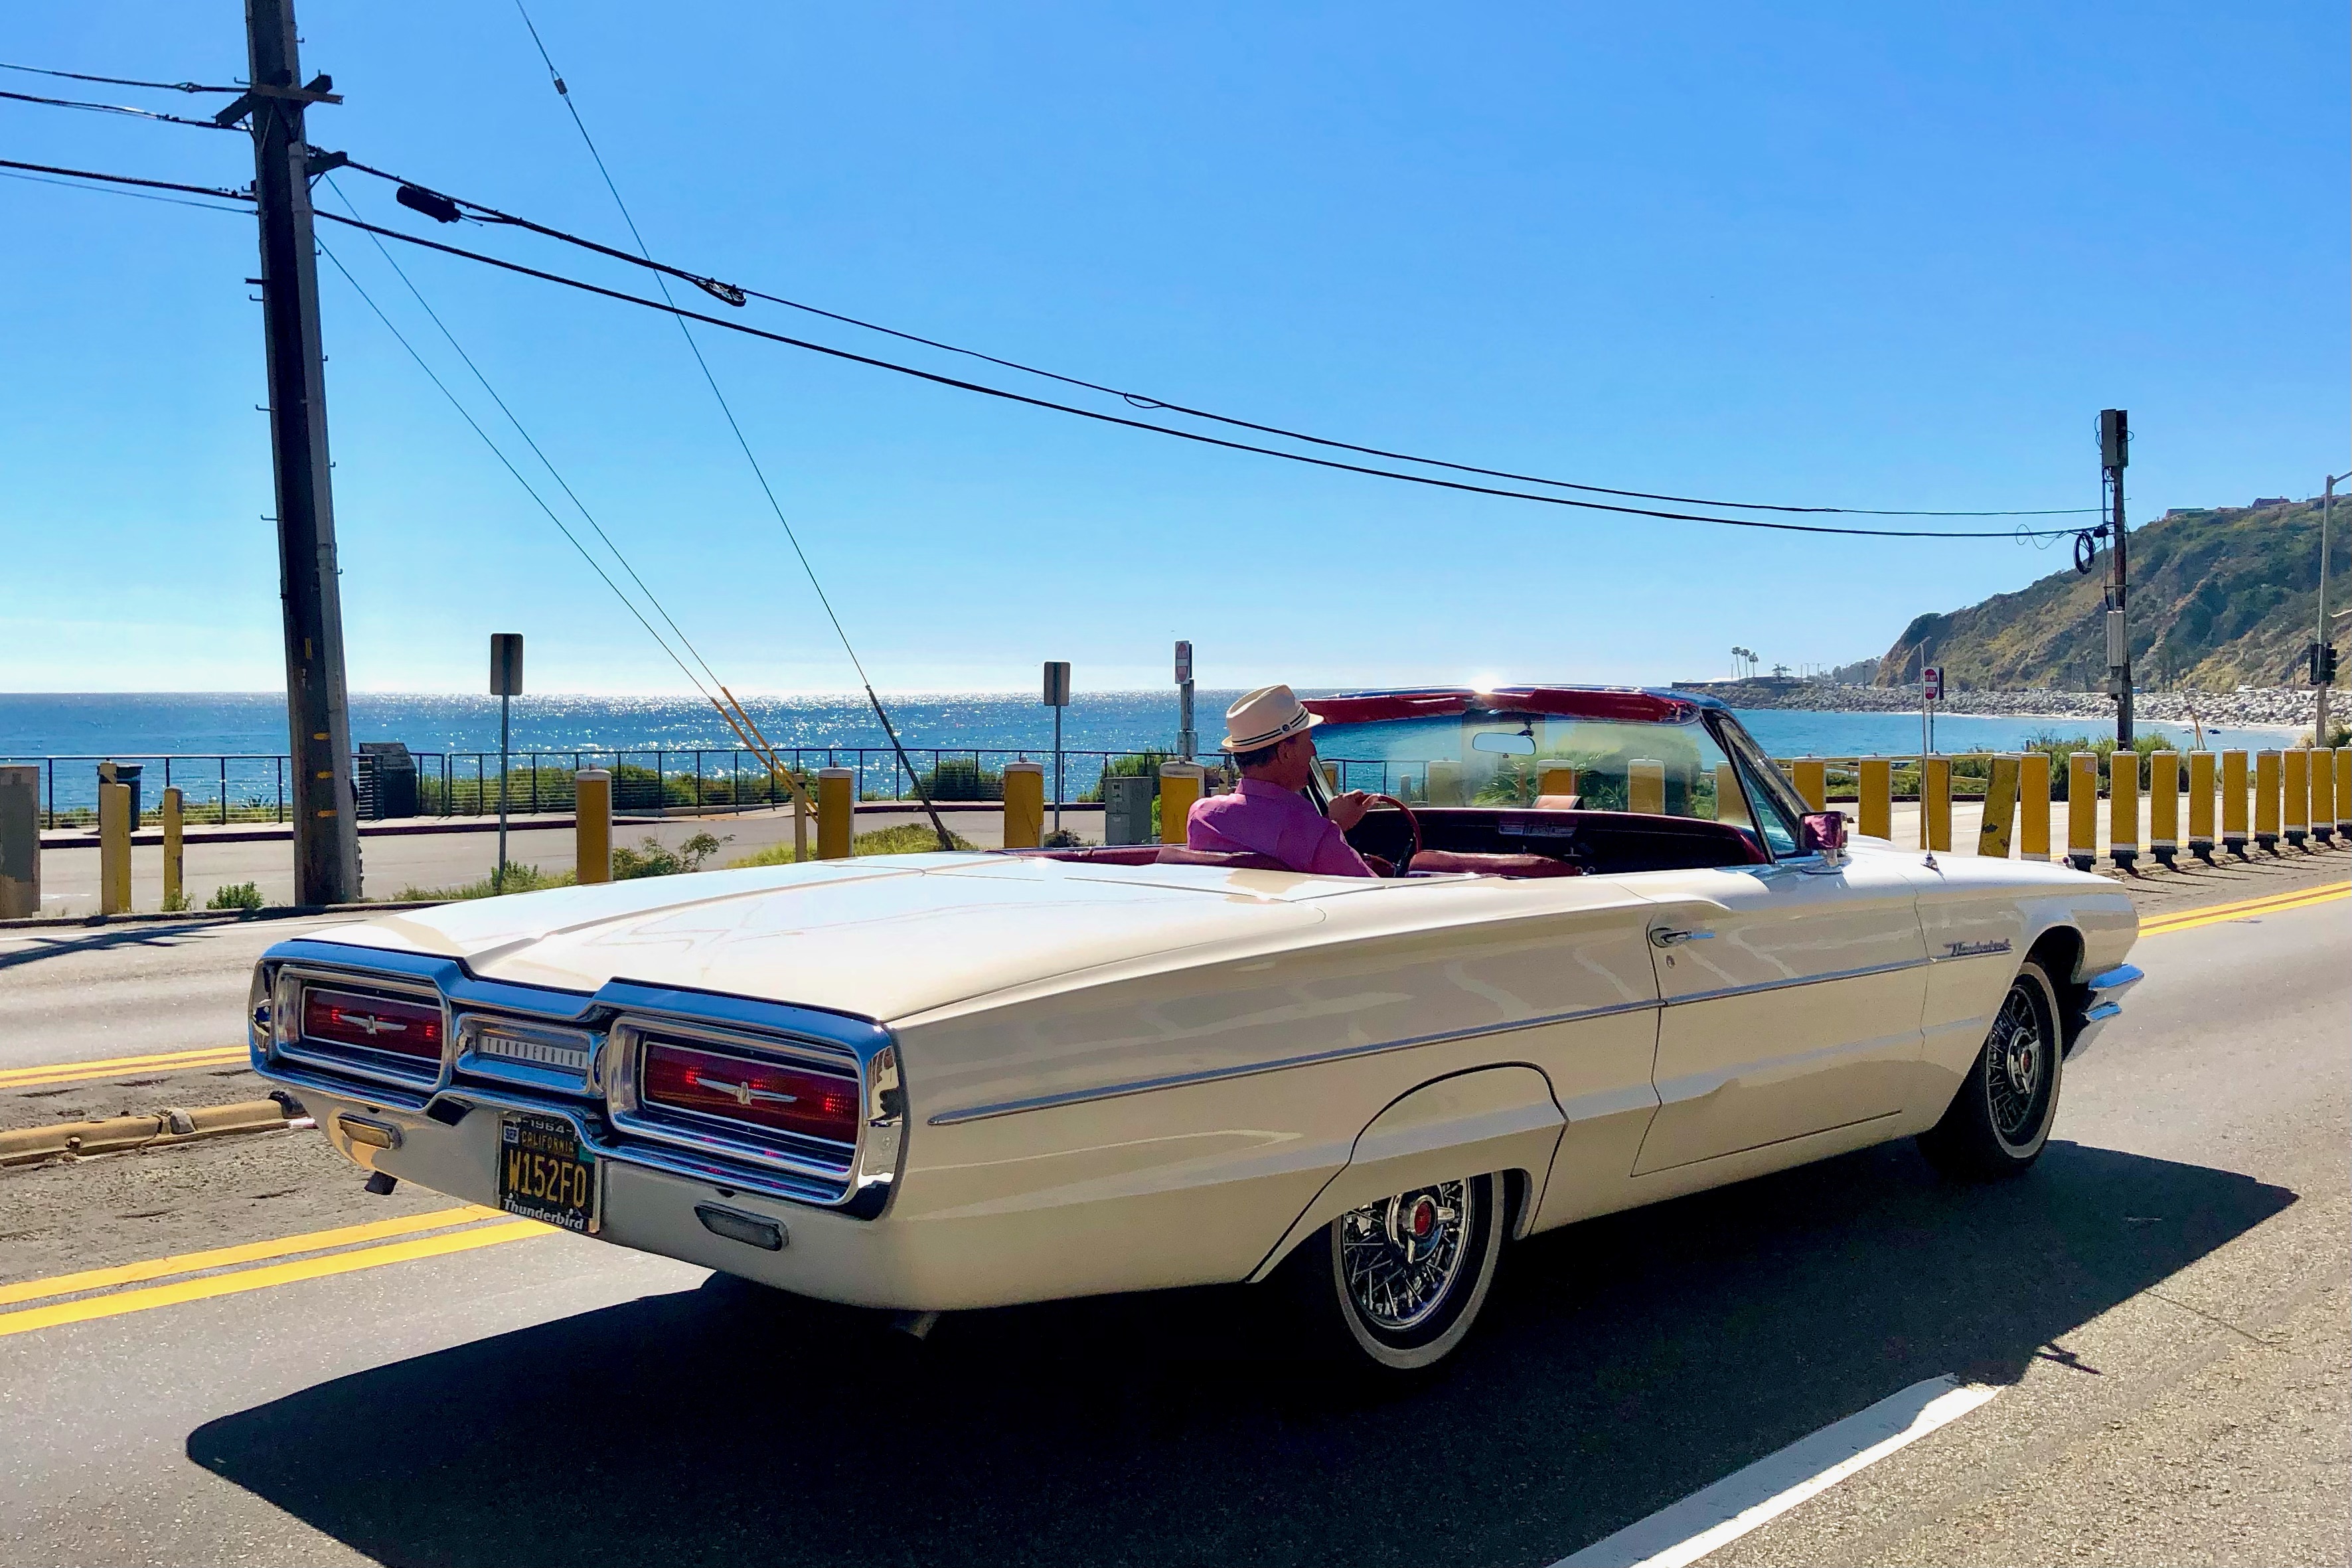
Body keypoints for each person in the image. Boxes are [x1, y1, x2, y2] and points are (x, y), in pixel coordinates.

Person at [1186, 684, 1378, 876]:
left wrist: (1331, 826)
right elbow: (1378, 890)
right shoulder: (1317, 836)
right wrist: (1333, 828)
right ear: (1285, 752)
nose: (1313, 750)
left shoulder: (1203, 816)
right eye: (1308, 741)